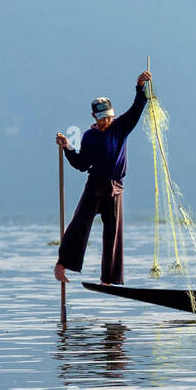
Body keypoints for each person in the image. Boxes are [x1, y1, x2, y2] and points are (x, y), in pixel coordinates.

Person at [54, 71, 151, 285]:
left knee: (113, 234)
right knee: (80, 223)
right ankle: (62, 264)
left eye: (108, 116)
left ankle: (108, 279)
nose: (106, 121)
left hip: (115, 188)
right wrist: (67, 147)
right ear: (94, 117)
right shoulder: (89, 137)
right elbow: (81, 164)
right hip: (95, 186)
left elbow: (137, 109)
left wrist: (139, 86)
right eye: (101, 117)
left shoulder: (120, 127)